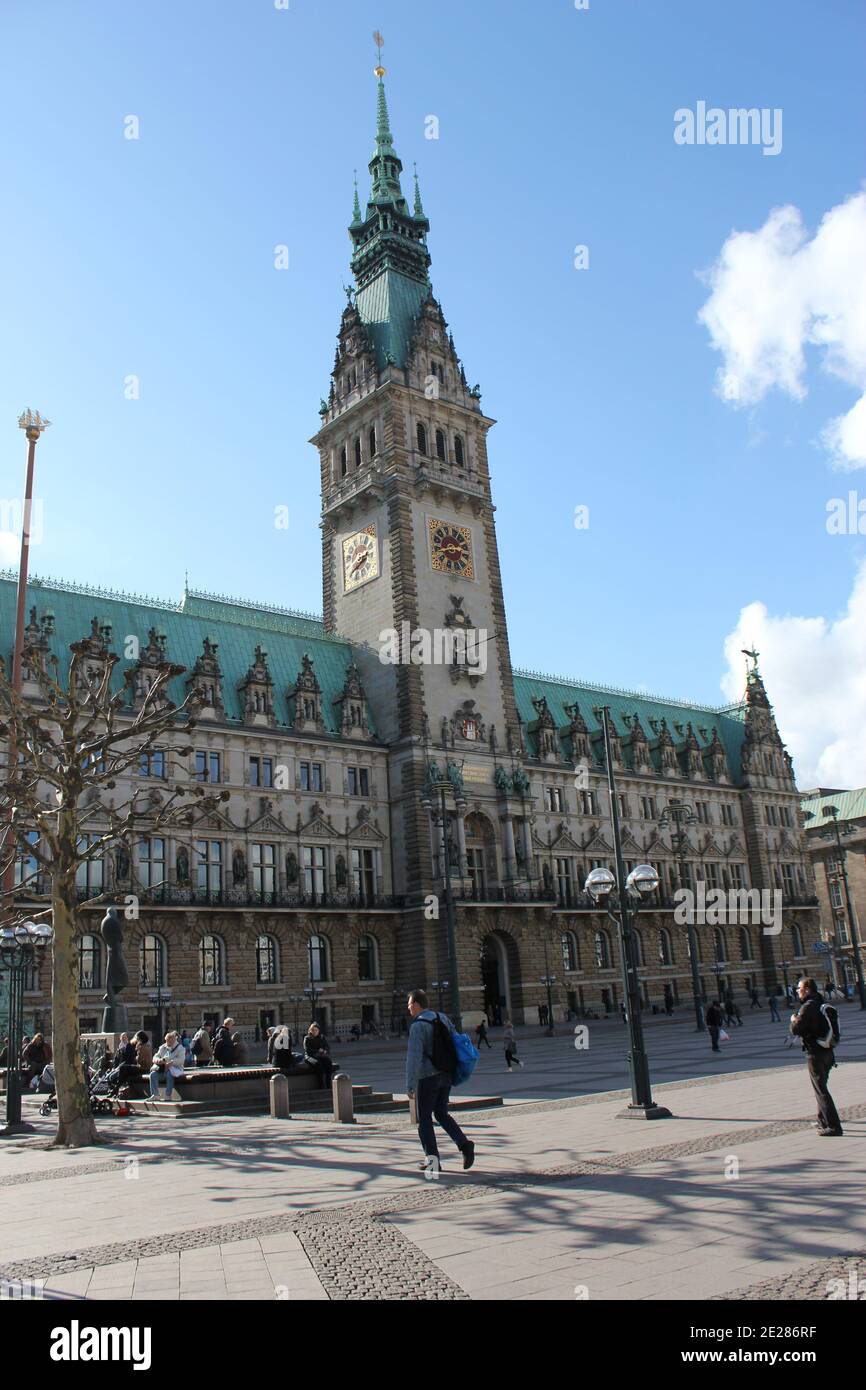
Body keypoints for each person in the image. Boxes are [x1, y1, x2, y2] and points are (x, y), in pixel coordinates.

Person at [405, 989, 474, 1176]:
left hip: (428, 1077)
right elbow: (456, 1042)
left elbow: (414, 1057)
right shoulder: (442, 1017)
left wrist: (410, 1084)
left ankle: (432, 1161)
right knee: (442, 1113)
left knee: (424, 1119)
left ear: (417, 1004)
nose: (408, 1008)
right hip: (446, 1074)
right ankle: (465, 1144)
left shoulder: (418, 1026)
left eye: (410, 1004)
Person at [790, 977, 842, 1137]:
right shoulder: (820, 1001)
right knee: (821, 1087)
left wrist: (793, 1020)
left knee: (821, 1090)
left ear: (806, 990)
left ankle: (833, 1126)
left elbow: (797, 1029)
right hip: (827, 1051)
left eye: (799, 988)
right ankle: (823, 1121)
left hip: (815, 1052)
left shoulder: (808, 1006)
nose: (797, 991)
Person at [149, 1031, 186, 1102]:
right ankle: (155, 1095)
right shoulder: (163, 1047)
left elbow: (181, 1060)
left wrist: (172, 1062)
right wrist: (159, 1061)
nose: (167, 1043)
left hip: (175, 1069)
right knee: (153, 1075)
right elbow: (155, 1057)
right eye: (166, 1041)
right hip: (162, 1069)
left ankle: (168, 1095)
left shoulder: (180, 1048)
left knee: (170, 1073)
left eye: (169, 1041)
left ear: (174, 1040)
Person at [303, 1023, 333, 1087]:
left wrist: (325, 1050)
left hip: (320, 1055)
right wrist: (317, 1051)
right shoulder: (307, 1038)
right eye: (313, 1030)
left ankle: (328, 1083)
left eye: (316, 1030)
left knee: (329, 1063)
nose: (315, 1031)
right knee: (318, 1064)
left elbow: (327, 1046)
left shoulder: (322, 1037)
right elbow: (308, 1050)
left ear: (319, 1030)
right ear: (310, 1030)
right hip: (309, 1056)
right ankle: (321, 1084)